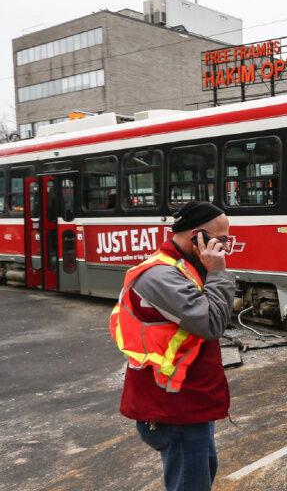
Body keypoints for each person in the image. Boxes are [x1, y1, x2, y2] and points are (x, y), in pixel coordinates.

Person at [109, 201, 235, 491]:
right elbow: (212, 323)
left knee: (204, 469)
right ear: (196, 238)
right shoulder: (160, 275)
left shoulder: (186, 267)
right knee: (190, 484)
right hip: (172, 406)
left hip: (190, 400)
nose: (225, 247)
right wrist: (218, 272)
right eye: (222, 240)